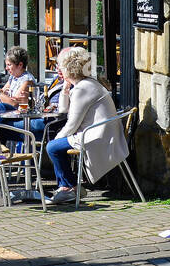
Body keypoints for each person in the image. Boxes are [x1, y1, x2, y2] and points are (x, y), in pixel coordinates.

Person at [44, 47, 127, 205]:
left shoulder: (83, 88)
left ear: (69, 67)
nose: (58, 69)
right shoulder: (84, 84)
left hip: (98, 136)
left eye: (60, 66)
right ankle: (67, 188)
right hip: (98, 133)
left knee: (52, 147)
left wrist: (57, 139)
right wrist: (65, 88)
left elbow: (72, 123)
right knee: (55, 145)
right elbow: (63, 110)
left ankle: (69, 188)